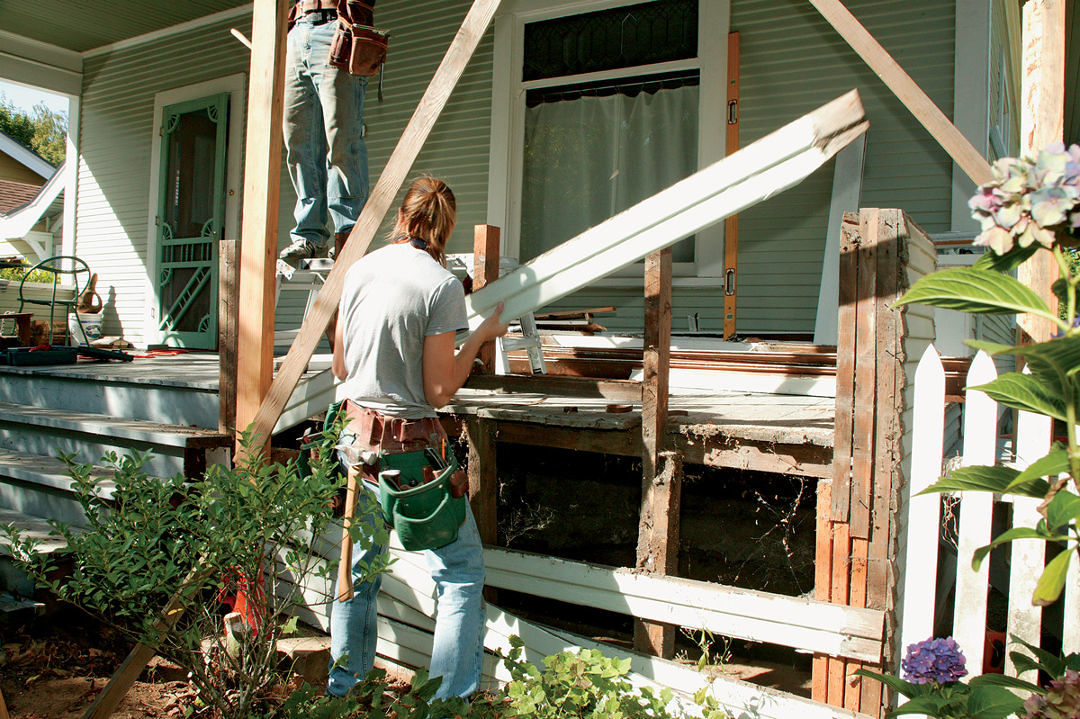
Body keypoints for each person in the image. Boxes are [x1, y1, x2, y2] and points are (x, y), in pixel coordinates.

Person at [328, 176, 508, 699]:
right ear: (445, 229)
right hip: (409, 456)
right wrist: (480, 336)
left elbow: (341, 363)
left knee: (359, 571)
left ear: (402, 219)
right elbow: (437, 392)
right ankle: (448, 703)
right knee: (460, 573)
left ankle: (346, 692)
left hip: (355, 442)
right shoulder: (441, 285)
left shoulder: (359, 269)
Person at [280, 0, 371, 262]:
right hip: (297, 29)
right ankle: (309, 235)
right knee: (297, 141)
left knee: (341, 136)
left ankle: (349, 232)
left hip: (336, 24)